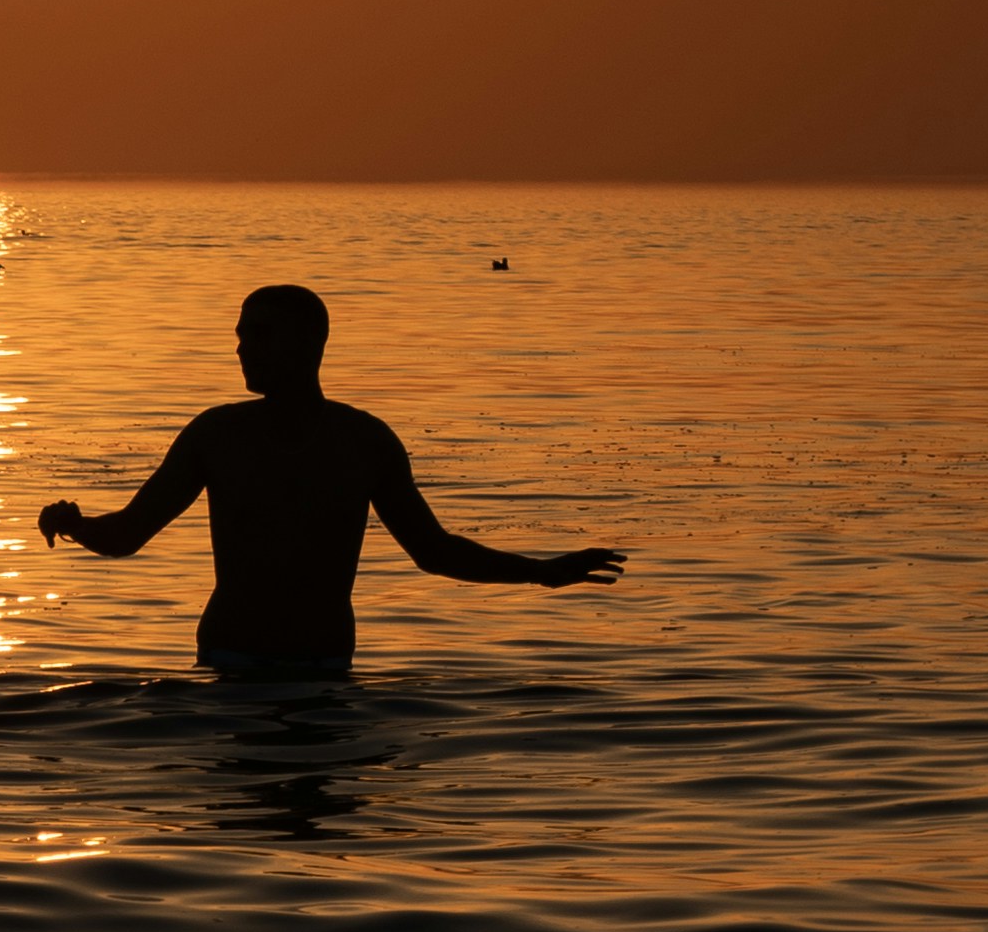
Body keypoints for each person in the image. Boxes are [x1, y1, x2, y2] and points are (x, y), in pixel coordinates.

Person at [38, 282, 622, 672]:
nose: (242, 349)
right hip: (230, 660)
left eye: (259, 335)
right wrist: (76, 525)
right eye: (240, 335)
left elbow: (433, 551)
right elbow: (128, 536)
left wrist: (539, 573)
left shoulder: (363, 440)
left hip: (324, 668)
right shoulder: (216, 434)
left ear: (308, 342)